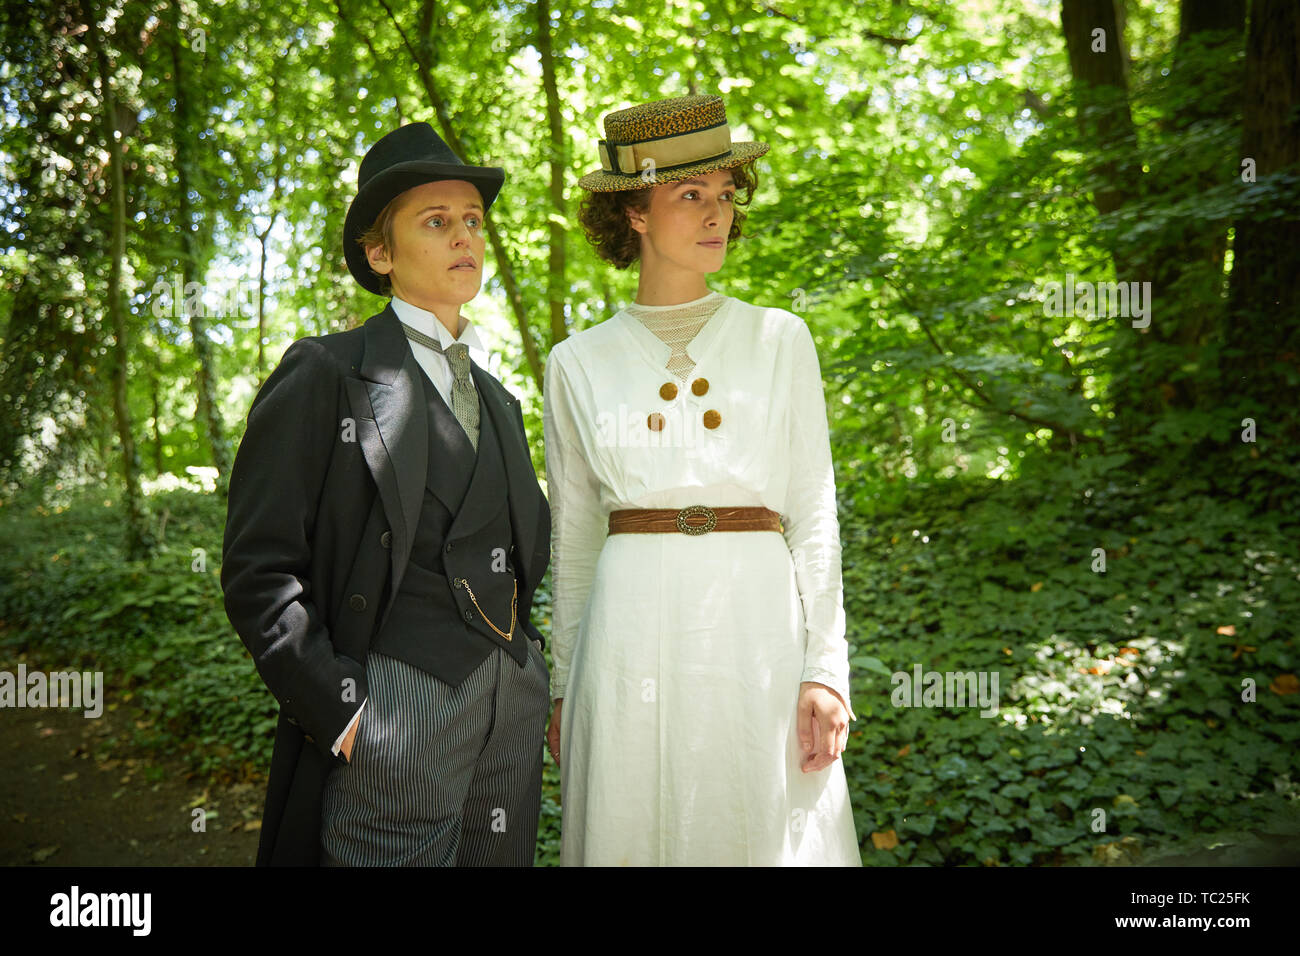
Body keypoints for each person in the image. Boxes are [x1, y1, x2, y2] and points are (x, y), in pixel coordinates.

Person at [221, 121, 552, 866]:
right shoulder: (325, 374)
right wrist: (337, 708)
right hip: (394, 716)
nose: (465, 236)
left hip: (510, 708)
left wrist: (529, 666)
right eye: (436, 222)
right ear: (380, 253)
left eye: (472, 220)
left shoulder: (500, 401)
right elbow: (258, 567)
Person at [543, 93, 862, 865]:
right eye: (690, 194)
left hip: (758, 629)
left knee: (757, 821)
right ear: (637, 215)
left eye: (723, 195)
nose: (716, 213)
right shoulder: (576, 363)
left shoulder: (780, 339)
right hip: (626, 636)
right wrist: (562, 685)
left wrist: (826, 669)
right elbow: (576, 534)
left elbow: (814, 510)